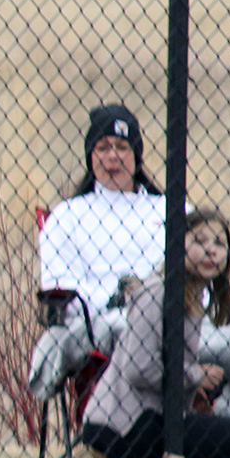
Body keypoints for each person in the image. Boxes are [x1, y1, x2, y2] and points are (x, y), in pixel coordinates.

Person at [80, 209, 230, 458]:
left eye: (220, 243)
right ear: (177, 244)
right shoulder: (157, 292)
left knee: (213, 440)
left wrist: (191, 382)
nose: (211, 250)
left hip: (154, 421)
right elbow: (139, 370)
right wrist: (195, 375)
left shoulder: (192, 299)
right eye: (200, 240)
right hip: (124, 428)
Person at [29, 105, 169, 402]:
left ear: (137, 155)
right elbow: (60, 288)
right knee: (124, 327)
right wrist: (117, 300)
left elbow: (199, 279)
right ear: (90, 156)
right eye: (102, 147)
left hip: (169, 319)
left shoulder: (171, 211)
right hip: (101, 324)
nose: (112, 156)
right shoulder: (68, 216)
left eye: (122, 146)